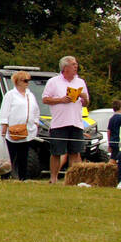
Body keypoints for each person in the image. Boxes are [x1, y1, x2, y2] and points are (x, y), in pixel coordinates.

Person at [41, 55, 88, 184]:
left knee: (75, 152)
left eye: (76, 64)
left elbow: (86, 103)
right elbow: (45, 99)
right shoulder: (53, 81)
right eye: (73, 64)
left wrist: (84, 97)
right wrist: (61, 99)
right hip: (59, 123)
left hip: (76, 122)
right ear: (65, 67)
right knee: (56, 152)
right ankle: (53, 178)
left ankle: (72, 180)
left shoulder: (80, 82)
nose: (76, 66)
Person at [0, 70, 39, 181]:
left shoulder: (30, 95)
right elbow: (4, 111)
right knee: (9, 155)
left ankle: (23, 177)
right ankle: (5, 176)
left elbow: (35, 110)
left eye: (28, 80)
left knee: (24, 155)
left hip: (26, 130)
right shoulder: (10, 95)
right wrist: (4, 125)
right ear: (17, 82)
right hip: (12, 130)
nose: (27, 83)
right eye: (25, 80)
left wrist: (36, 122)